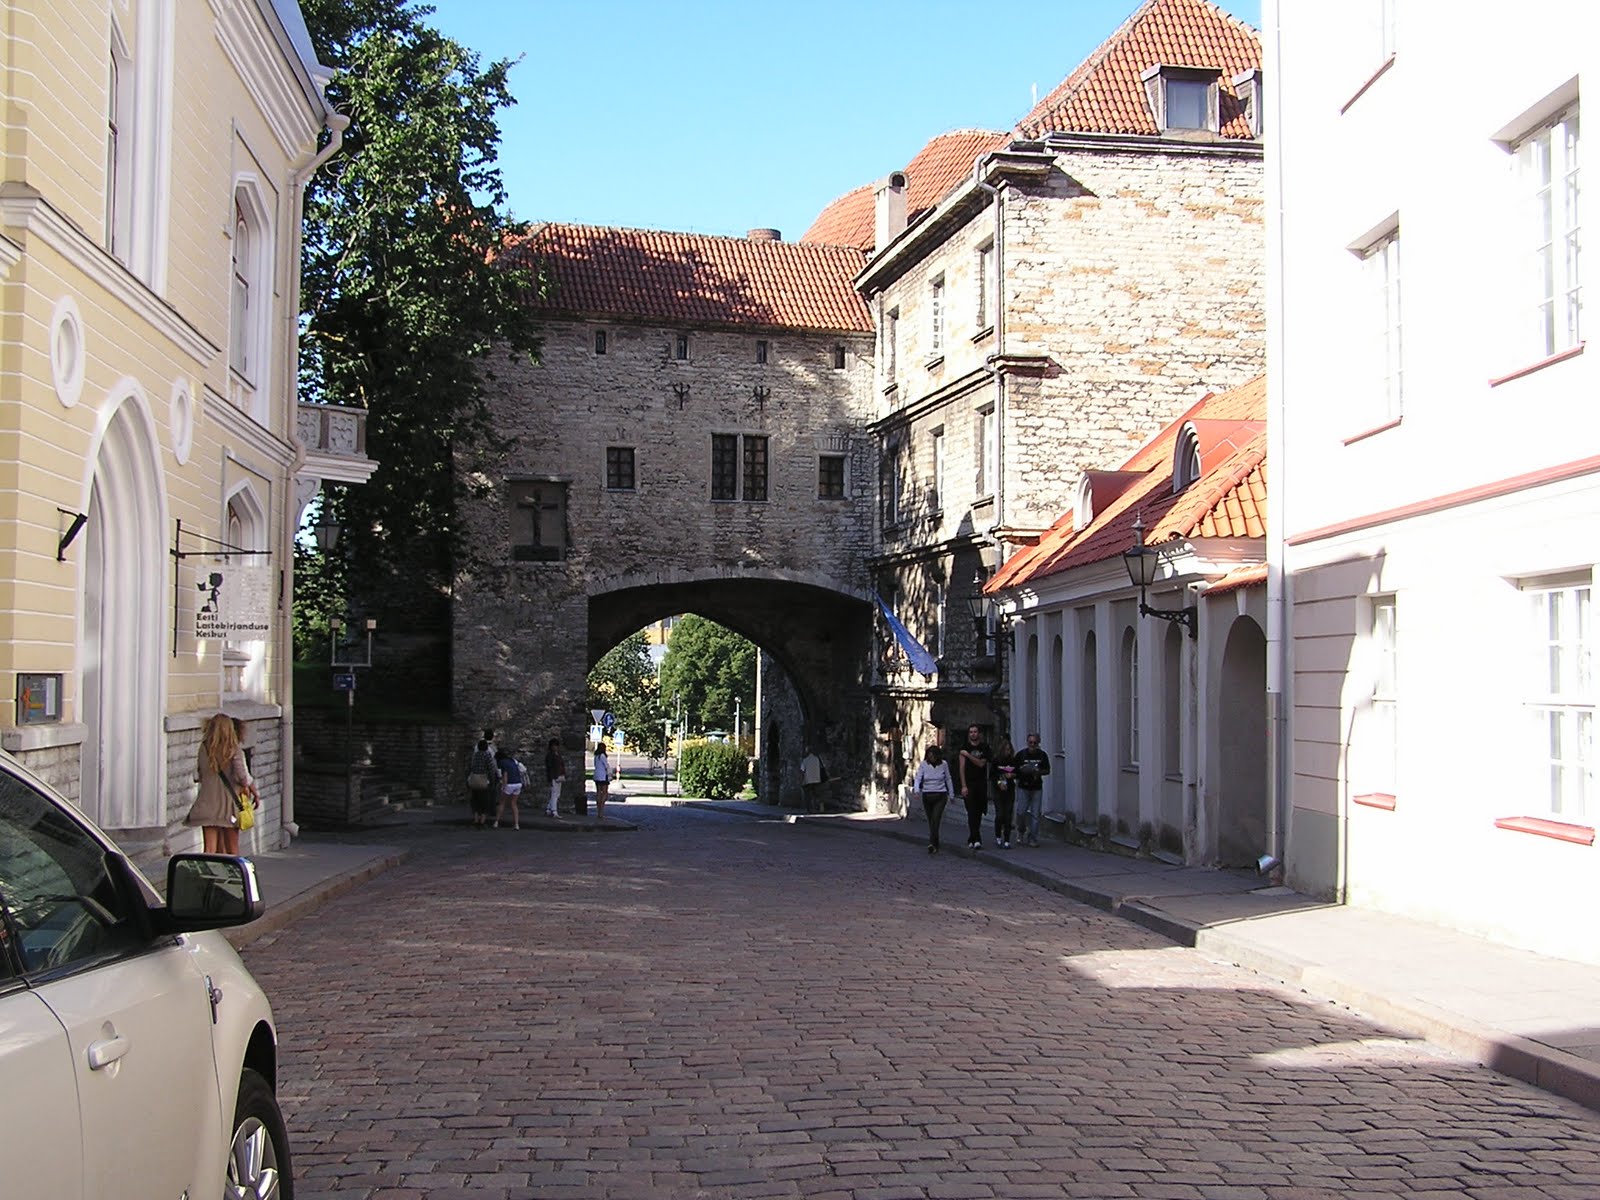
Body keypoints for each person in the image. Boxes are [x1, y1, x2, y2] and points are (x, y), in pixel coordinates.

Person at [185, 712, 255, 854]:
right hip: (229, 807)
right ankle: (232, 874)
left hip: (207, 804)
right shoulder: (234, 750)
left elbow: (197, 775)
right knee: (232, 850)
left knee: (209, 850)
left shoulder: (204, 749)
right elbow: (243, 777)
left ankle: (209, 875)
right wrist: (253, 791)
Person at [910, 744, 954, 854]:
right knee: (931, 821)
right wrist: (916, 790)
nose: (931, 758)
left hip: (940, 795)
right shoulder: (924, 765)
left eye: (933, 756)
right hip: (927, 795)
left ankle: (932, 843)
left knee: (936, 818)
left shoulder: (944, 764)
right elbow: (918, 778)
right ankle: (935, 843)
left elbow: (948, 779)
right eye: (929, 756)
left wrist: (951, 794)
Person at [957, 724, 992, 850]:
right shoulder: (964, 748)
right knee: (971, 811)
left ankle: (973, 837)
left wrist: (968, 755)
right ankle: (976, 838)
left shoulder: (984, 748)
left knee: (979, 811)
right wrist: (963, 785)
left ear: (979, 734)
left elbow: (981, 764)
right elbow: (961, 768)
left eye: (975, 732)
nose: (973, 734)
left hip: (981, 783)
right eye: (971, 732)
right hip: (969, 783)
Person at [1014, 732, 1052, 847]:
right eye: (1030, 742)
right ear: (1027, 743)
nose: (1032, 745)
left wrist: (1038, 772)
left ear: (1038, 743)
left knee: (1035, 814)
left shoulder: (1042, 755)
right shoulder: (1021, 755)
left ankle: (1033, 838)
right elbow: (1014, 769)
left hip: (1036, 787)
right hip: (1023, 787)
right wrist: (1022, 770)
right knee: (1021, 812)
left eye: (1035, 743)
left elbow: (1047, 770)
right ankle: (1021, 831)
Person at [466, 738, 498, 828]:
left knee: (475, 800)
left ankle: (476, 819)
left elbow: (471, 767)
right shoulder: (487, 756)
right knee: (484, 801)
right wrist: (493, 781)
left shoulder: (475, 755)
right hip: (483, 781)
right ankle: (482, 821)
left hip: (474, 780)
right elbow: (491, 769)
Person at [992, 738, 1018, 849]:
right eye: (1006, 749)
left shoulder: (1013, 761)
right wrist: (998, 782)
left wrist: (1013, 775)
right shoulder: (996, 761)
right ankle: (998, 836)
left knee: (1008, 815)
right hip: (998, 790)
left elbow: (1018, 772)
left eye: (1009, 749)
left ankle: (1007, 839)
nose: (1008, 751)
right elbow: (992, 775)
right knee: (1000, 814)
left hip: (1009, 790)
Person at [494, 747, 523, 830]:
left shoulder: (502, 763)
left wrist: (504, 786)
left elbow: (505, 775)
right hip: (518, 783)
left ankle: (496, 822)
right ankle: (516, 824)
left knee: (502, 802)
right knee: (513, 803)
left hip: (510, 784)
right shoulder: (512, 760)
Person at [592, 740, 614, 821]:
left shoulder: (596, 756)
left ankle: (598, 811)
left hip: (596, 775)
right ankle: (601, 810)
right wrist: (610, 773)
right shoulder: (602, 756)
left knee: (598, 792)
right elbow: (606, 766)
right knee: (604, 792)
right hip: (603, 776)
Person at [544, 737, 565, 818]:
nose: (556, 747)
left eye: (556, 746)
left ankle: (549, 809)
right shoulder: (550, 755)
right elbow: (549, 767)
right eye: (554, 746)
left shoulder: (558, 755)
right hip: (554, 776)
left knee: (557, 794)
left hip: (559, 775)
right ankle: (554, 811)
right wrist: (551, 776)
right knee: (554, 794)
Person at [800, 747, 825, 813]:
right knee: (817, 794)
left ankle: (809, 809)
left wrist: (801, 781)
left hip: (808, 780)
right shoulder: (817, 759)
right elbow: (821, 768)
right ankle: (820, 806)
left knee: (808, 795)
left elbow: (802, 771)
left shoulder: (805, 760)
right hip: (817, 779)